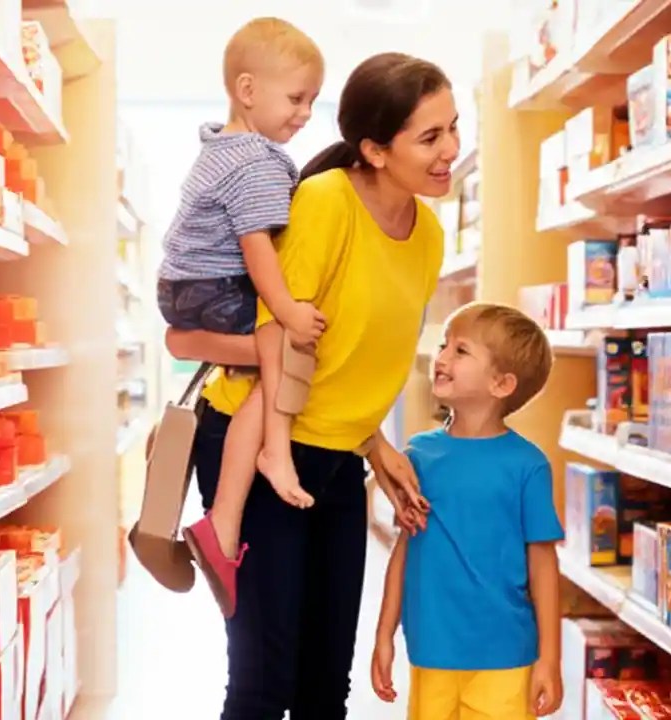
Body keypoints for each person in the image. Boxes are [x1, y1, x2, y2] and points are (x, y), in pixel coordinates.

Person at [188, 52, 460, 719]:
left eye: (454, 127)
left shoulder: (428, 235)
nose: (451, 150)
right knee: (262, 683)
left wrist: (376, 448)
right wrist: (274, 447)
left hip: (336, 457)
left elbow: (342, 361)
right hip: (256, 446)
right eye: (431, 136)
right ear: (373, 148)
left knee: (325, 685)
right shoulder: (326, 201)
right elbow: (277, 331)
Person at [153, 17, 327, 615]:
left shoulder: (222, 147)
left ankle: (223, 518)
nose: (305, 113)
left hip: (187, 291)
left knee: (267, 362)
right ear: (247, 91)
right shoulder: (255, 159)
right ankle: (226, 517)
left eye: (312, 100)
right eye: (296, 97)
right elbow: (258, 253)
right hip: (211, 288)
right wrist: (287, 314)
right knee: (286, 353)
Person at [371, 303, 565, 720]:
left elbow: (543, 564)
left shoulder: (527, 465)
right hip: (431, 647)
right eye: (444, 345)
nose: (441, 358)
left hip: (505, 651)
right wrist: (384, 634)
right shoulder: (418, 456)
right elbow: (404, 550)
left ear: (501, 383)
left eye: (461, 351)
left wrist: (550, 658)